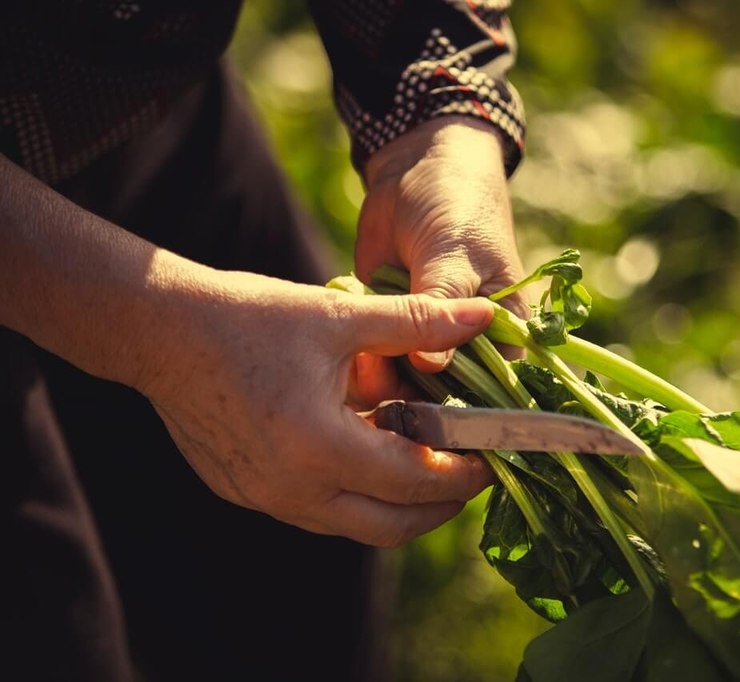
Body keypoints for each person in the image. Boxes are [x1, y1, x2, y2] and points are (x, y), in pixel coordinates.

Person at [0, 2, 528, 680]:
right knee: (51, 633)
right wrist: (158, 336)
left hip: (140, 97)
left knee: (297, 583)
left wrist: (438, 132)